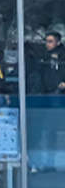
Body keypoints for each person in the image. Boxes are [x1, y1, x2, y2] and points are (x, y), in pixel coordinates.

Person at [30, 31, 65, 172]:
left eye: (50, 41)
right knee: (48, 131)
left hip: (59, 96)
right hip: (46, 95)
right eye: (46, 41)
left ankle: (50, 161)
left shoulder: (63, 56)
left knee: (54, 130)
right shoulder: (43, 57)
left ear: (57, 42)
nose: (47, 44)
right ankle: (48, 162)